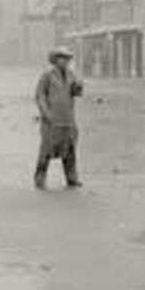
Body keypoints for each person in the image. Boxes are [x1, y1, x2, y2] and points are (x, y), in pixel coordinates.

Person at [34, 46, 84, 190]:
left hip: (67, 118)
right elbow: (40, 95)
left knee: (69, 150)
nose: (64, 61)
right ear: (55, 59)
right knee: (46, 150)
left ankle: (72, 179)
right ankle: (40, 179)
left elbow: (76, 93)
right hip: (51, 120)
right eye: (61, 57)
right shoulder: (47, 75)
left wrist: (78, 86)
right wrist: (46, 113)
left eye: (66, 58)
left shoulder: (71, 75)